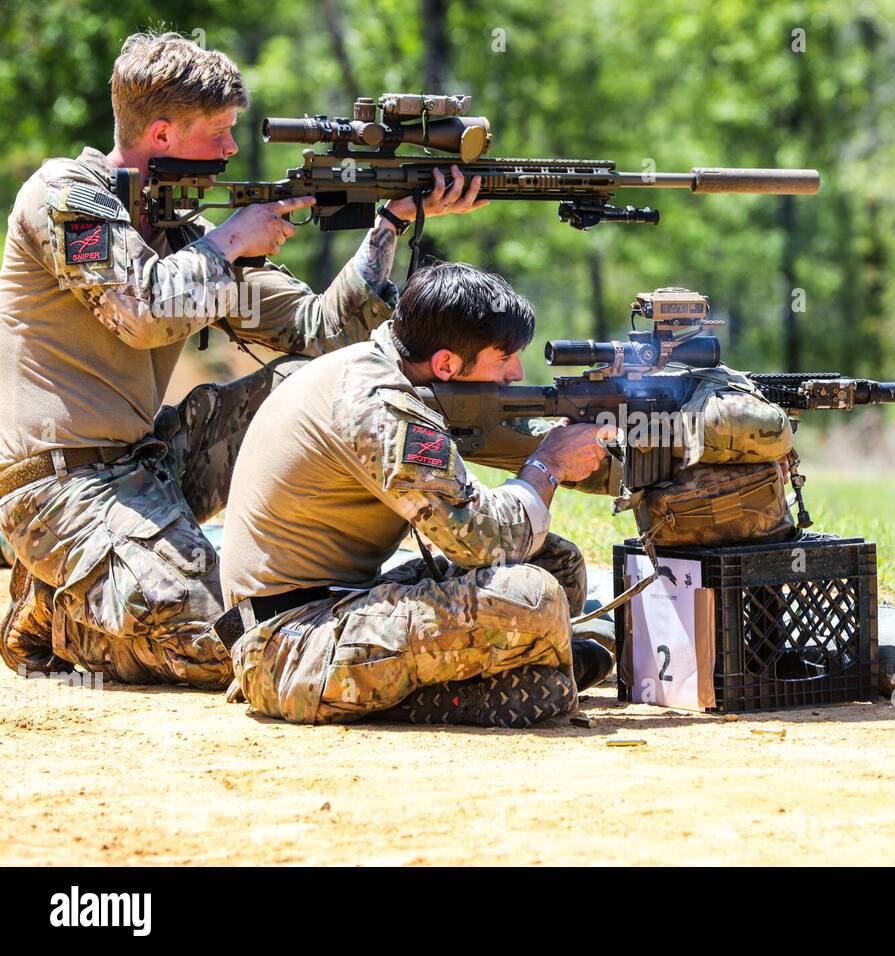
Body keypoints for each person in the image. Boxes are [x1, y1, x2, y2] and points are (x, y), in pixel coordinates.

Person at [0, 31, 485, 688]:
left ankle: (113, 588)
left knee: (302, 385)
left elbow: (320, 334)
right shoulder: (64, 195)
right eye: (218, 132)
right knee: (227, 643)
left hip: (146, 465)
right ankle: (58, 615)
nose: (230, 150)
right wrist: (230, 241)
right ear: (163, 134)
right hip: (56, 485)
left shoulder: (184, 233)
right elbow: (141, 313)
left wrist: (389, 226)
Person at [220, 261, 614, 728]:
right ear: (446, 363)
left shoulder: (379, 369)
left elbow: (467, 513)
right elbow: (477, 539)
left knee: (552, 562)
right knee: (532, 596)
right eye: (504, 356)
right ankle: (455, 690)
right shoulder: (380, 405)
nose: (516, 371)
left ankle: (521, 670)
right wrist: (547, 466)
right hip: (288, 647)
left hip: (329, 614)